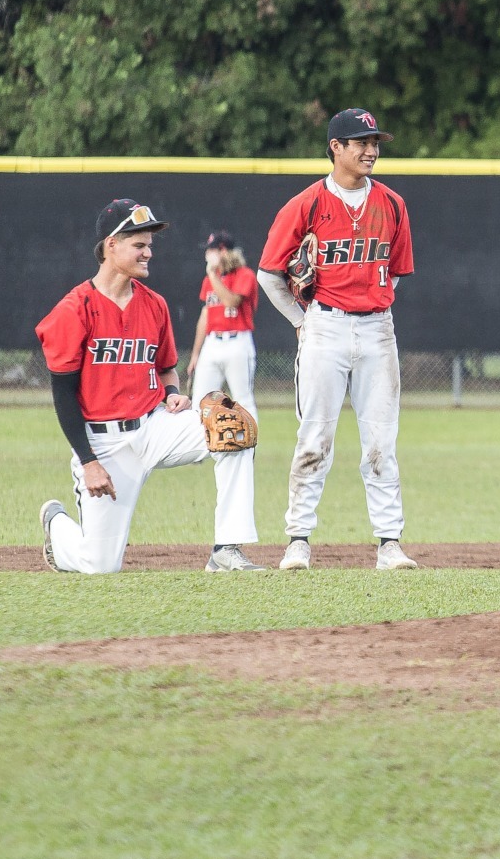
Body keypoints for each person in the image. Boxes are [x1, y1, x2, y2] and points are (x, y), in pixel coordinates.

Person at [36, 200, 265, 575]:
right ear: (111, 245)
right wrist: (89, 462)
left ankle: (226, 549)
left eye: (150, 245)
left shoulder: (154, 305)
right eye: (139, 245)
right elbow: (62, 395)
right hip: (104, 444)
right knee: (99, 566)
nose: (149, 253)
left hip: (154, 425)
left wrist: (173, 393)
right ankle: (58, 528)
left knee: (233, 427)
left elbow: (167, 369)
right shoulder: (74, 309)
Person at [258, 109, 418, 572]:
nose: (371, 150)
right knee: (314, 439)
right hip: (324, 326)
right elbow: (269, 273)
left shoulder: (392, 204)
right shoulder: (306, 204)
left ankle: (389, 544)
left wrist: (376, 306)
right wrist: (301, 320)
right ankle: (298, 541)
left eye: (375, 142)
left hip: (376, 329)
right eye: (360, 142)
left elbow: (397, 273)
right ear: (336, 148)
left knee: (380, 442)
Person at [187, 229, 258, 404]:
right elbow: (205, 315)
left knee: (243, 400)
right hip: (212, 343)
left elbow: (231, 301)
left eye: (211, 250)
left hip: (237, 342)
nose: (206, 254)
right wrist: (196, 354)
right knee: (199, 401)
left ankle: (248, 432)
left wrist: (211, 275)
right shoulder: (210, 280)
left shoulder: (245, 275)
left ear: (223, 251)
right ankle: (199, 433)